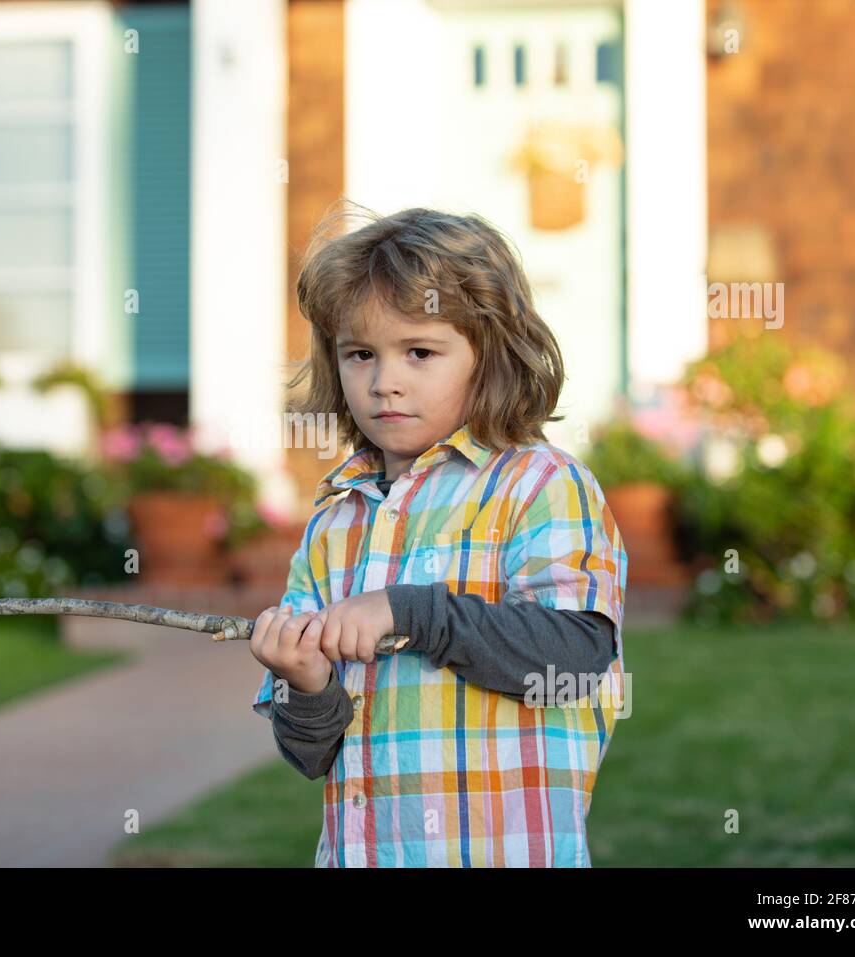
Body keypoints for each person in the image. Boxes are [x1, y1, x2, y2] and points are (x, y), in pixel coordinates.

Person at [249, 202, 629, 867]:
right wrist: (306, 683)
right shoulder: (336, 519)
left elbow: (574, 662)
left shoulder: (538, 485)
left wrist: (411, 611)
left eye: (419, 352)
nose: (383, 382)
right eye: (360, 353)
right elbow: (312, 755)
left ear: (489, 356)